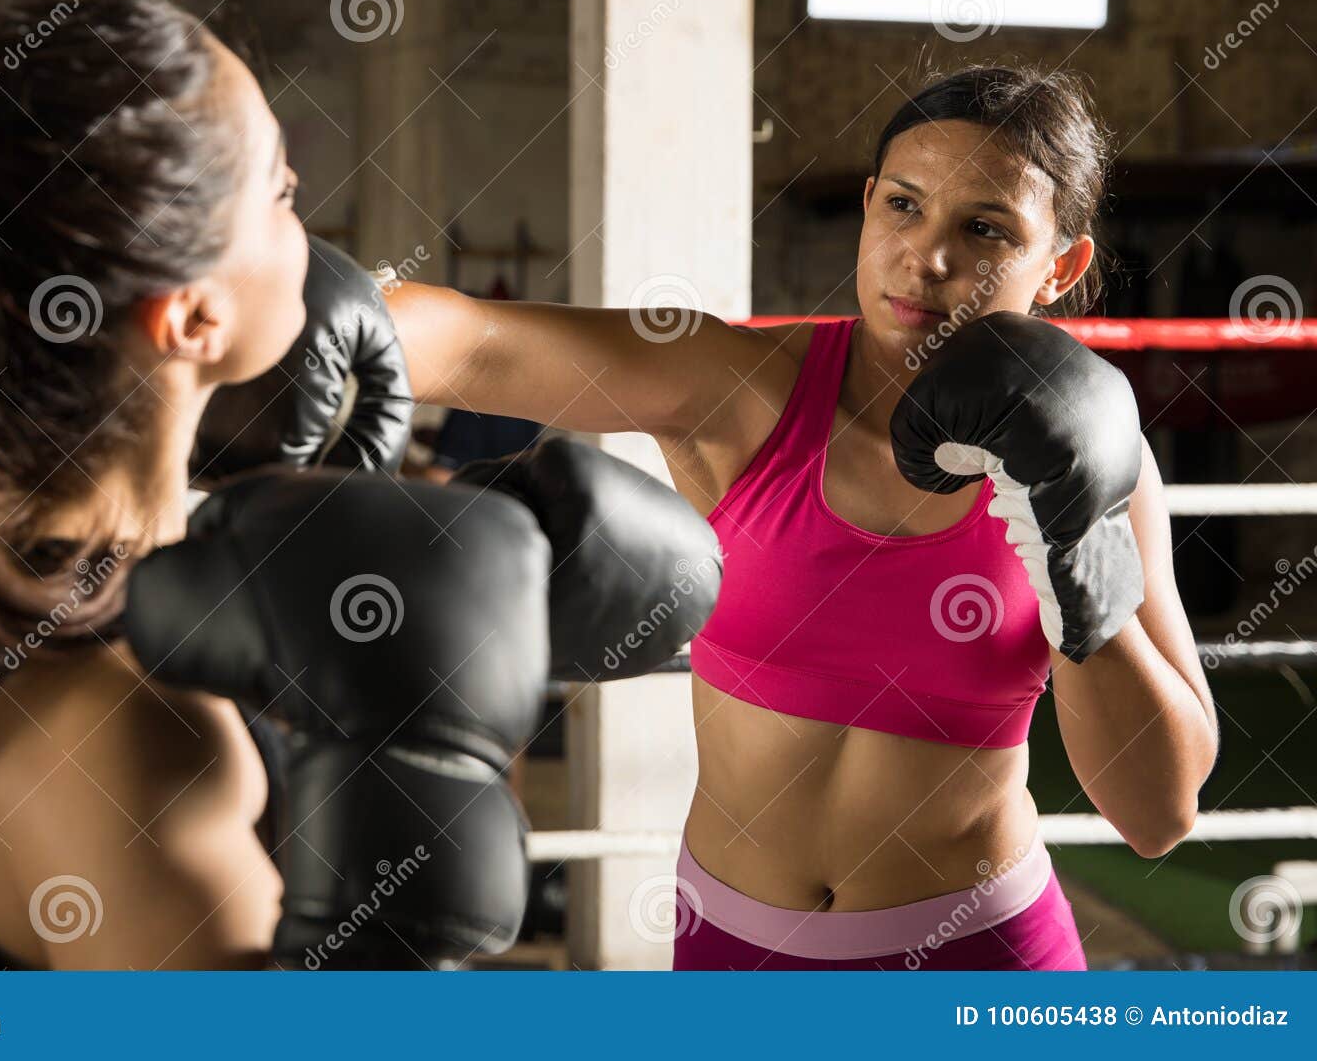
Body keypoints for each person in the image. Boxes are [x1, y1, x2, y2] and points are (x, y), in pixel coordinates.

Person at [0, 0, 722, 970]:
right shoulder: (127, 737)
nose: (312, 234)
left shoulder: (10, 580)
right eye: (282, 195)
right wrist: (395, 923)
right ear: (193, 318)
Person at [353, 65, 1219, 969]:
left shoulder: (1096, 461)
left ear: (1061, 267)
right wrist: (323, 316)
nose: (926, 258)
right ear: (870, 203)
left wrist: (1079, 564)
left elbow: (1158, 813)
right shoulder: (739, 387)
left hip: (983, 952)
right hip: (738, 951)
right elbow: (474, 343)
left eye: (985, 228)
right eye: (903, 207)